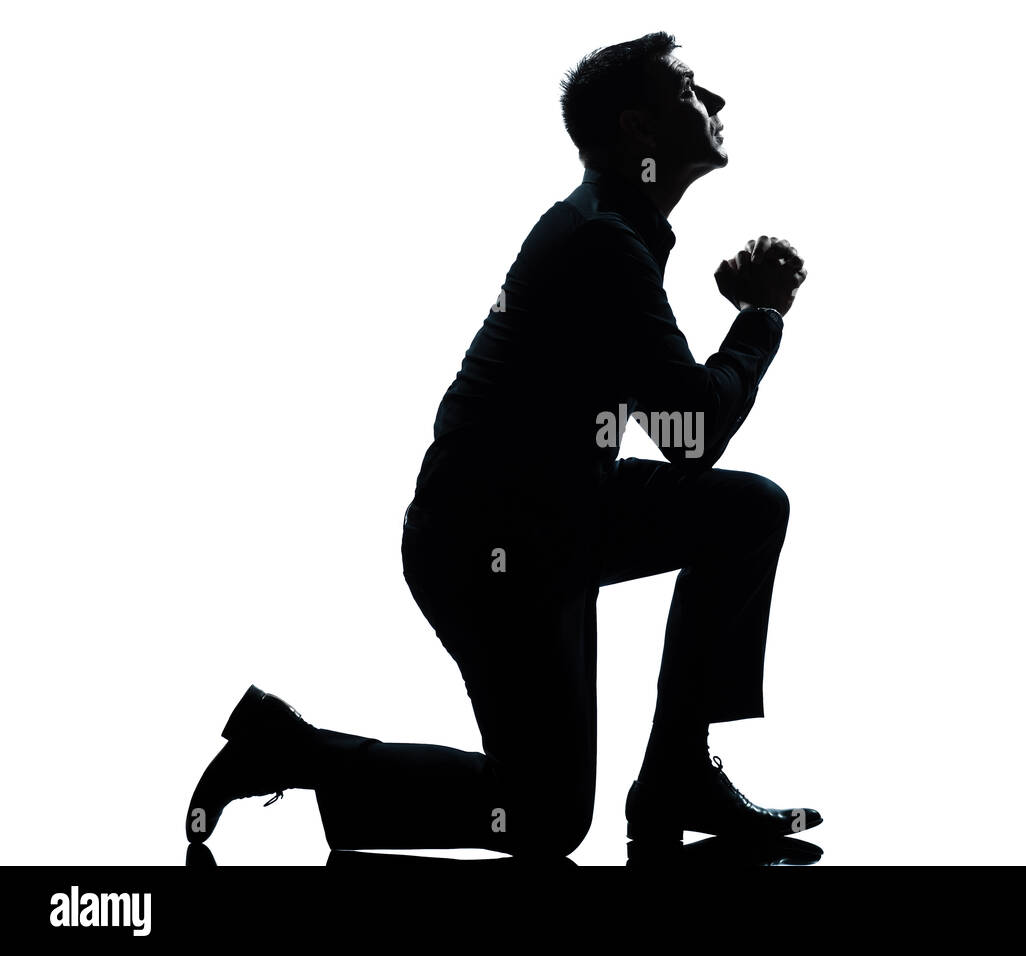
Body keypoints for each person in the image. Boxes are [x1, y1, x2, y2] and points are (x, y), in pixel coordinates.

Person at [186, 31, 820, 859]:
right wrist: (762, 319)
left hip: (554, 518)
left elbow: (666, 419)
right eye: (692, 89)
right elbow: (690, 436)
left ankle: (676, 773)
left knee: (747, 512)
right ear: (637, 130)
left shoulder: (610, 233)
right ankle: (292, 751)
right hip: (490, 546)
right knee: (544, 821)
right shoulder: (603, 244)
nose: (718, 102)